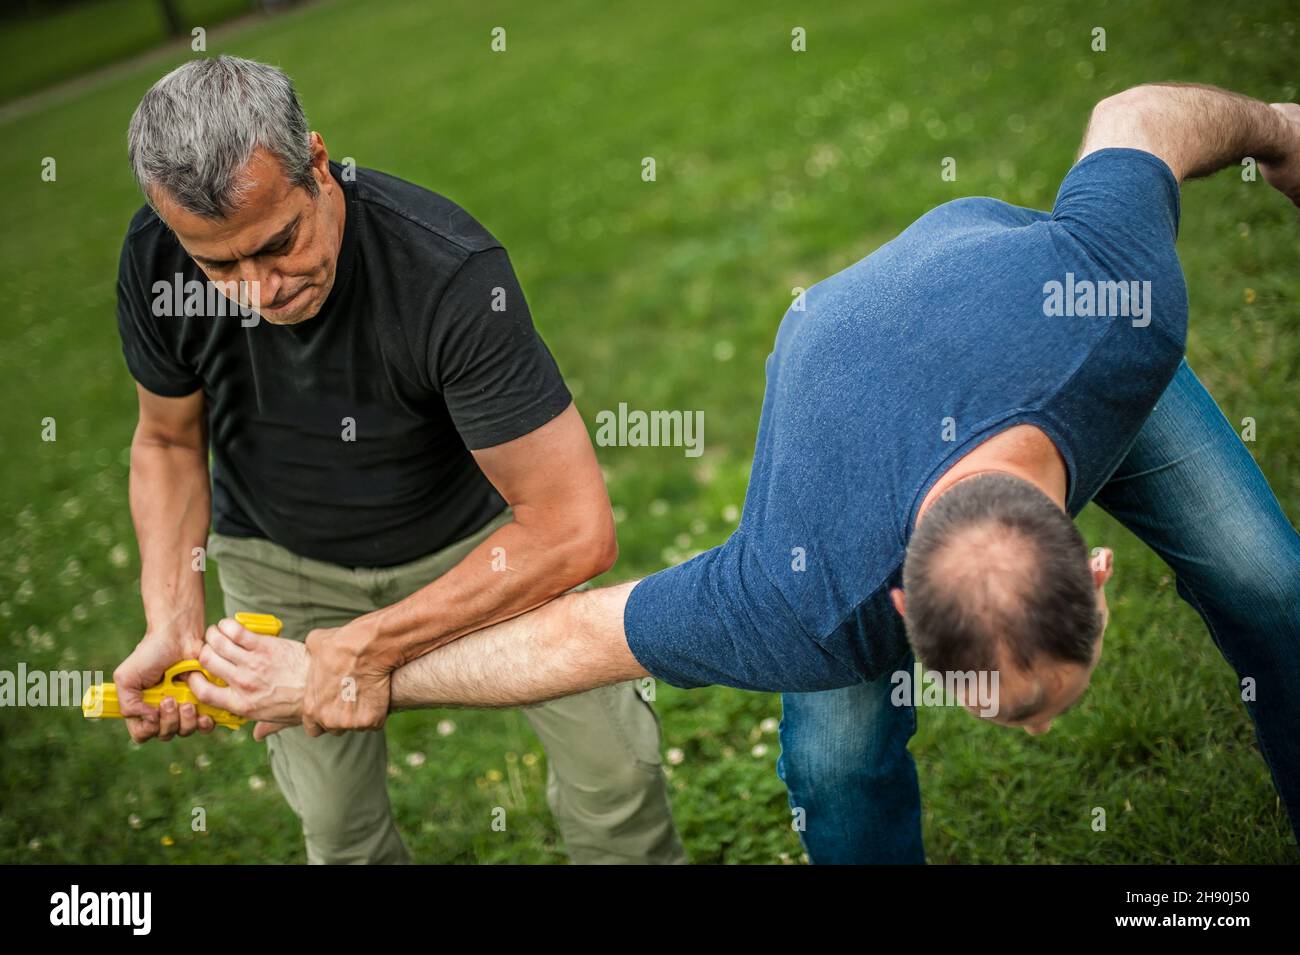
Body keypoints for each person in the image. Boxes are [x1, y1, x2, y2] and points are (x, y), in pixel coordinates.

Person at [196, 82, 1300, 862]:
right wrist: (346, 674)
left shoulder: (1117, 308)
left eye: (1029, 711)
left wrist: (1277, 131)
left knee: (1273, 587)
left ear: (1095, 572)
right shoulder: (802, 596)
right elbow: (576, 635)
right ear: (903, 608)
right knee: (835, 753)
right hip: (838, 368)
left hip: (1030, 331)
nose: (1042, 733)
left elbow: (1143, 116)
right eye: (1009, 713)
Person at [112, 55, 685, 864]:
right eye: (218, 266)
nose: (257, 290)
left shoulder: (448, 272)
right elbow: (168, 440)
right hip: (282, 565)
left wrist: (371, 643)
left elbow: (571, 529)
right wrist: (174, 617)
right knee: (339, 830)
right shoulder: (154, 258)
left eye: (280, 243)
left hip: (478, 549)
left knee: (616, 771)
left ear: (316, 161)